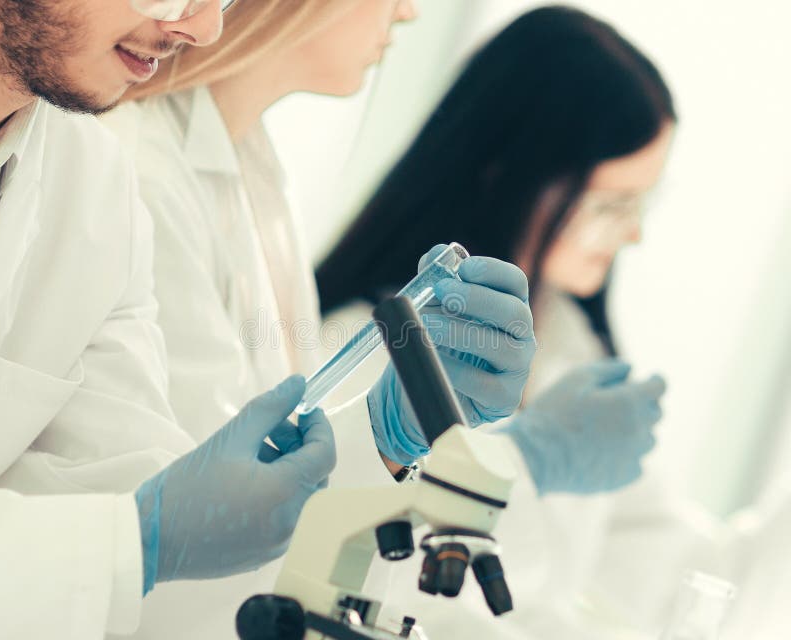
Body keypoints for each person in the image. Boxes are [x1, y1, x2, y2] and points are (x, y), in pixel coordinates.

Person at [106, 1, 664, 638]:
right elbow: (185, 538)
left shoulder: (253, 176)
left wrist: (384, 445)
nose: (408, 11)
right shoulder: (139, 171)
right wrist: (511, 461)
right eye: (611, 205)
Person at [317, 6, 788, 638]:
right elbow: (384, 580)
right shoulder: (370, 345)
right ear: (510, 171)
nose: (636, 232)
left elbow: (690, 584)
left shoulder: (571, 348)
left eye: (646, 202)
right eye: (612, 204)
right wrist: (526, 462)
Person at [0, 0, 335, 636]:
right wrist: (138, 539)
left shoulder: (94, 180)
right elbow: (120, 540)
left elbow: (117, 486)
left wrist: (376, 441)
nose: (203, 29)